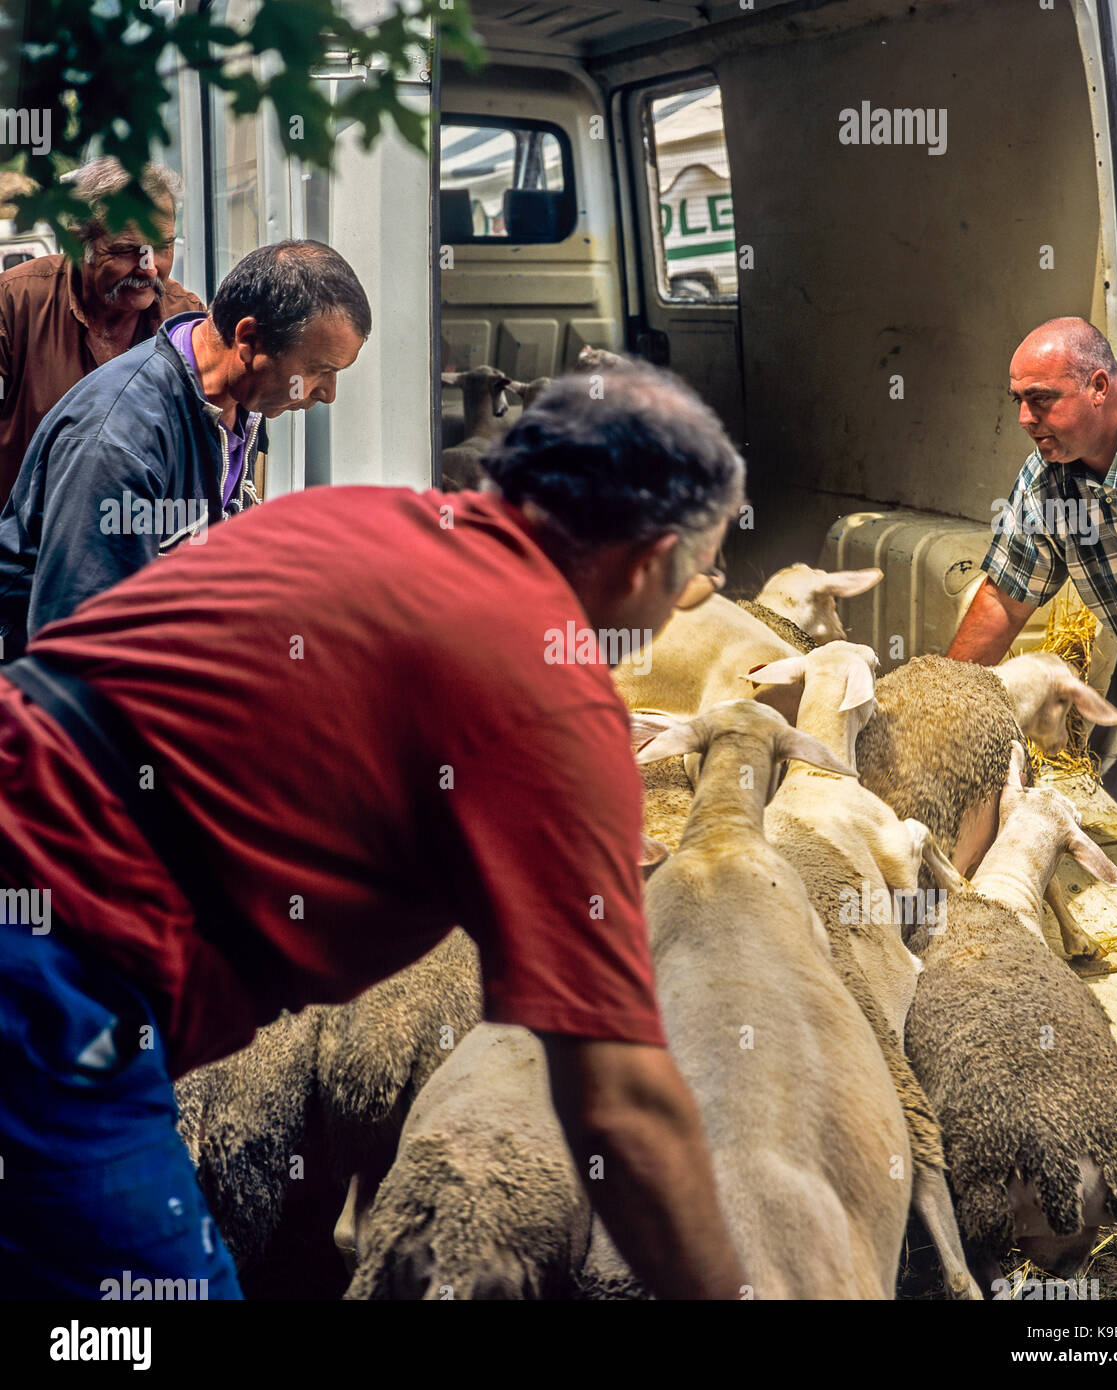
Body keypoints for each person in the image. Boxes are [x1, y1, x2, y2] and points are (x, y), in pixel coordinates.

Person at [0, 363, 750, 1300]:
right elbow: (620, 1102)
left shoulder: (350, 518)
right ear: (648, 562)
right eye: (700, 571)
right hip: (55, 973)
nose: (692, 598)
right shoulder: (549, 697)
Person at [0, 239, 369, 660]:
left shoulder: (236, 406)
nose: (328, 394)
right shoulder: (117, 444)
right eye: (320, 370)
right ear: (248, 339)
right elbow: (84, 654)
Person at [947, 316, 1117, 884]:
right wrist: (941, 710)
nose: (1023, 419)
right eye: (1017, 401)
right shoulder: (1047, 487)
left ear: (1099, 387)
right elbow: (1003, 603)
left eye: (1040, 399)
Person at [0, 158, 204, 504]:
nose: (149, 268)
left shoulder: (185, 320)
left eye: (163, 247)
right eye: (127, 251)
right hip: (25, 546)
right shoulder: (15, 302)